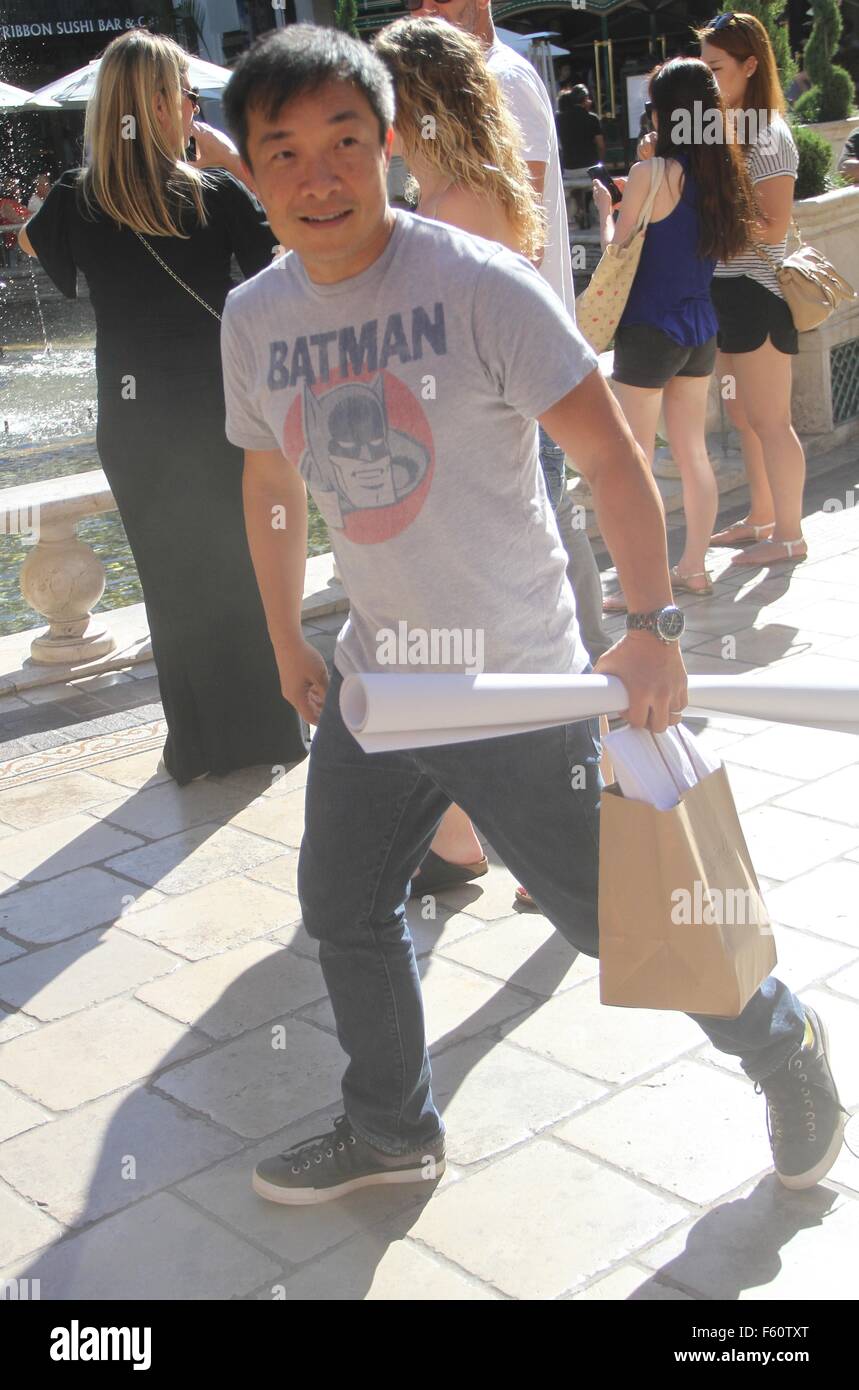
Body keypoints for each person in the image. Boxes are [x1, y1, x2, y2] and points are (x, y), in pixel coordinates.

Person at [220, 25, 845, 1203]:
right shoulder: (254, 316)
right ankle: (391, 1126)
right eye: (284, 153)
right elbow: (267, 484)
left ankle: (782, 1042)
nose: (318, 177)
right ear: (249, 171)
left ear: (388, 145)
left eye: (343, 143)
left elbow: (611, 457)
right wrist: (283, 634)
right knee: (343, 907)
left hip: (515, 681)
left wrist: (651, 626)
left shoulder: (474, 283)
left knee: (620, 921)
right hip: (378, 683)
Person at [19, 29, 307, 784]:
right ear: (157, 103)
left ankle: (198, 747)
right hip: (224, 409)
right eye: (183, 93)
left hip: (135, 420)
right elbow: (293, 244)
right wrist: (230, 160)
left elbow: (36, 247)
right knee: (243, 567)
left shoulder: (73, 202)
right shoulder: (212, 194)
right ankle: (267, 732)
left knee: (171, 580)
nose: (191, 105)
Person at [405, 0, 612, 889]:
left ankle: (568, 823)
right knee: (490, 624)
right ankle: (465, 835)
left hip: (501, 426)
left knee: (536, 616)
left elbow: (487, 314)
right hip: (493, 426)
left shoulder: (470, 190)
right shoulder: (453, 186)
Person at [371, 15, 547, 893]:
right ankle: (466, 841)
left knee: (467, 664)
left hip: (464, 468)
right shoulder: (484, 190)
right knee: (481, 660)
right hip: (488, 458)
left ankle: (515, 846)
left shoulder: (450, 215)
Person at [597, 59, 757, 612]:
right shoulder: (722, 172)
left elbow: (617, 255)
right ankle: (694, 568)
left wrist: (604, 210)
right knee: (693, 453)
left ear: (664, 112)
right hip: (699, 325)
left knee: (633, 459)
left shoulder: (651, 173)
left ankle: (643, 589)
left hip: (648, 328)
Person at [696, 12, 808, 569]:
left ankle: (788, 533)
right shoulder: (727, 126)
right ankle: (763, 518)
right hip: (728, 291)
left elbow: (774, 226)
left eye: (716, 68)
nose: (708, 79)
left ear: (749, 65)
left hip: (758, 291)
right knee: (744, 418)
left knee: (770, 421)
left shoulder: (768, 133)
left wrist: (710, 219)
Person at [556, 84, 605, 173]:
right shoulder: (592, 118)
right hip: (590, 168)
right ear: (585, 99)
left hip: (569, 168)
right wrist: (599, 163)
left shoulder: (559, 119)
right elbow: (600, 145)